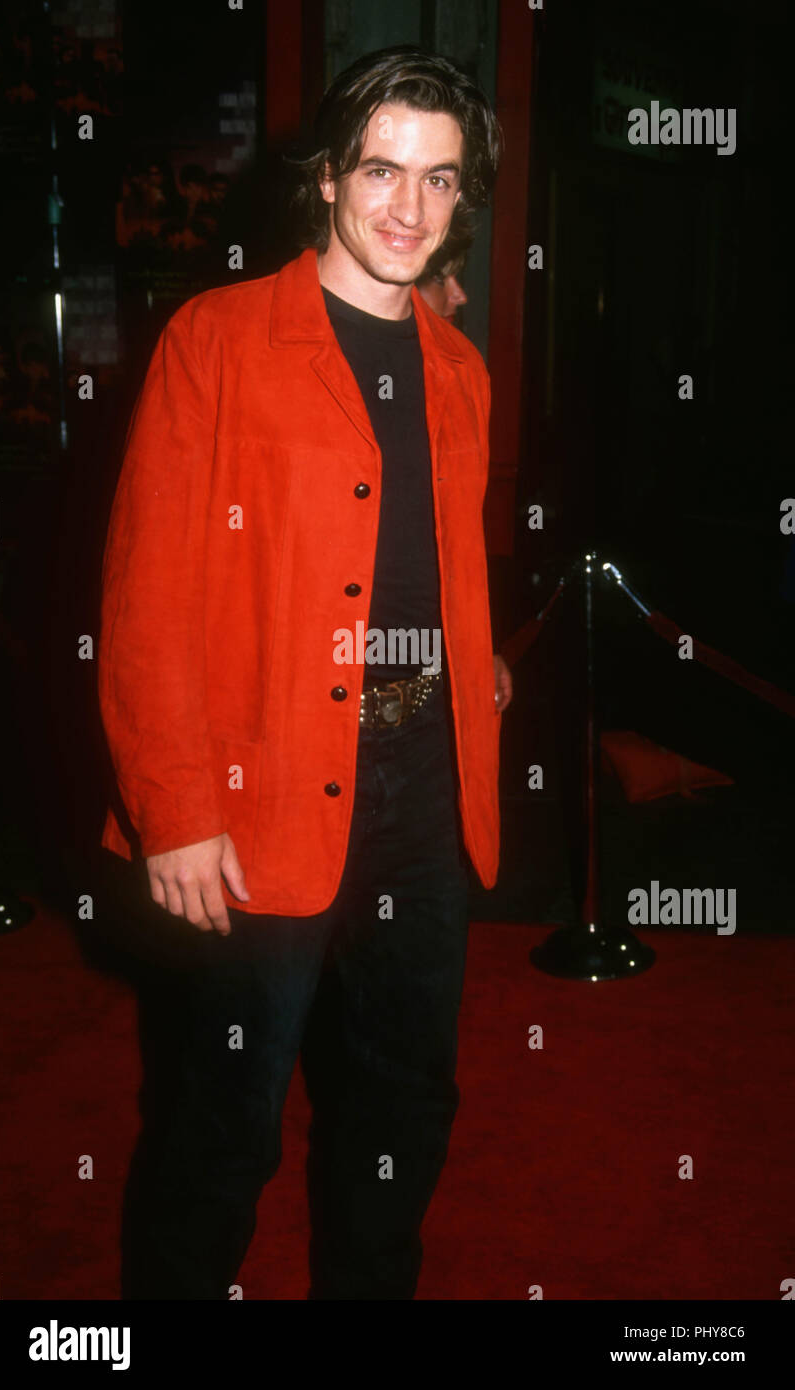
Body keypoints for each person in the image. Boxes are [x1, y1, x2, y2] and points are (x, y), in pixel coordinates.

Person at [98, 44, 511, 1302]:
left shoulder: (459, 369)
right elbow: (144, 595)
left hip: (421, 795)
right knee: (225, 1118)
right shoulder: (216, 338)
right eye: (383, 169)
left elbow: (427, 555)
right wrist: (173, 810)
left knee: (402, 1105)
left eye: (441, 182)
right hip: (251, 787)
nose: (409, 207)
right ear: (328, 178)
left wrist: (469, 659)